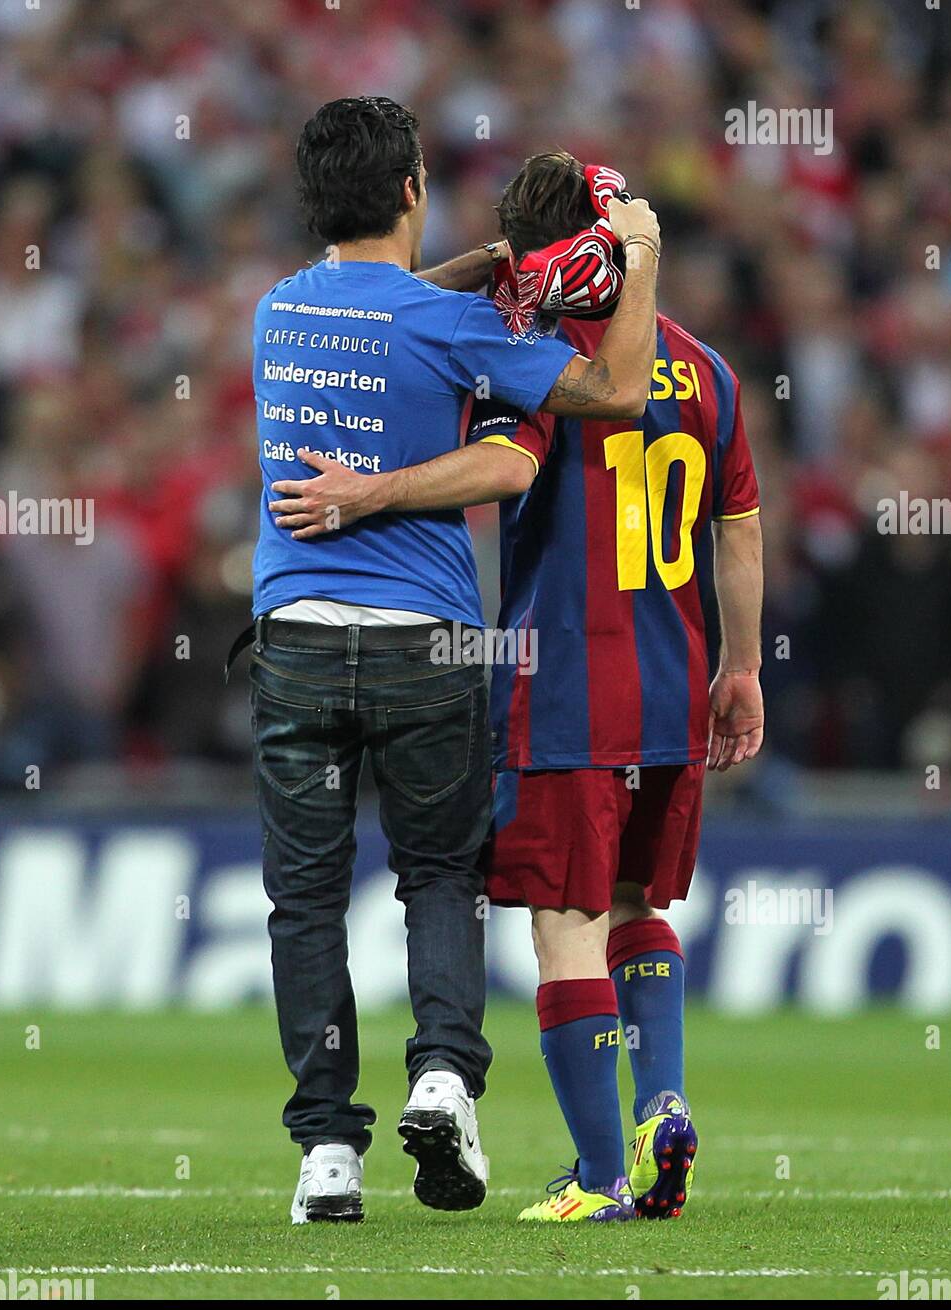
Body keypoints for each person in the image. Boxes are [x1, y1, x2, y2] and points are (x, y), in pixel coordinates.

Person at [283, 150, 763, 1225]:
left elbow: (500, 466)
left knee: (564, 923)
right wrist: (739, 666)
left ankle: (597, 1178)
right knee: (638, 907)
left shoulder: (536, 361)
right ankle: (664, 1102)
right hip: (674, 686)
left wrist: (367, 496)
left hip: (563, 688)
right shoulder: (710, 370)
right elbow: (739, 526)